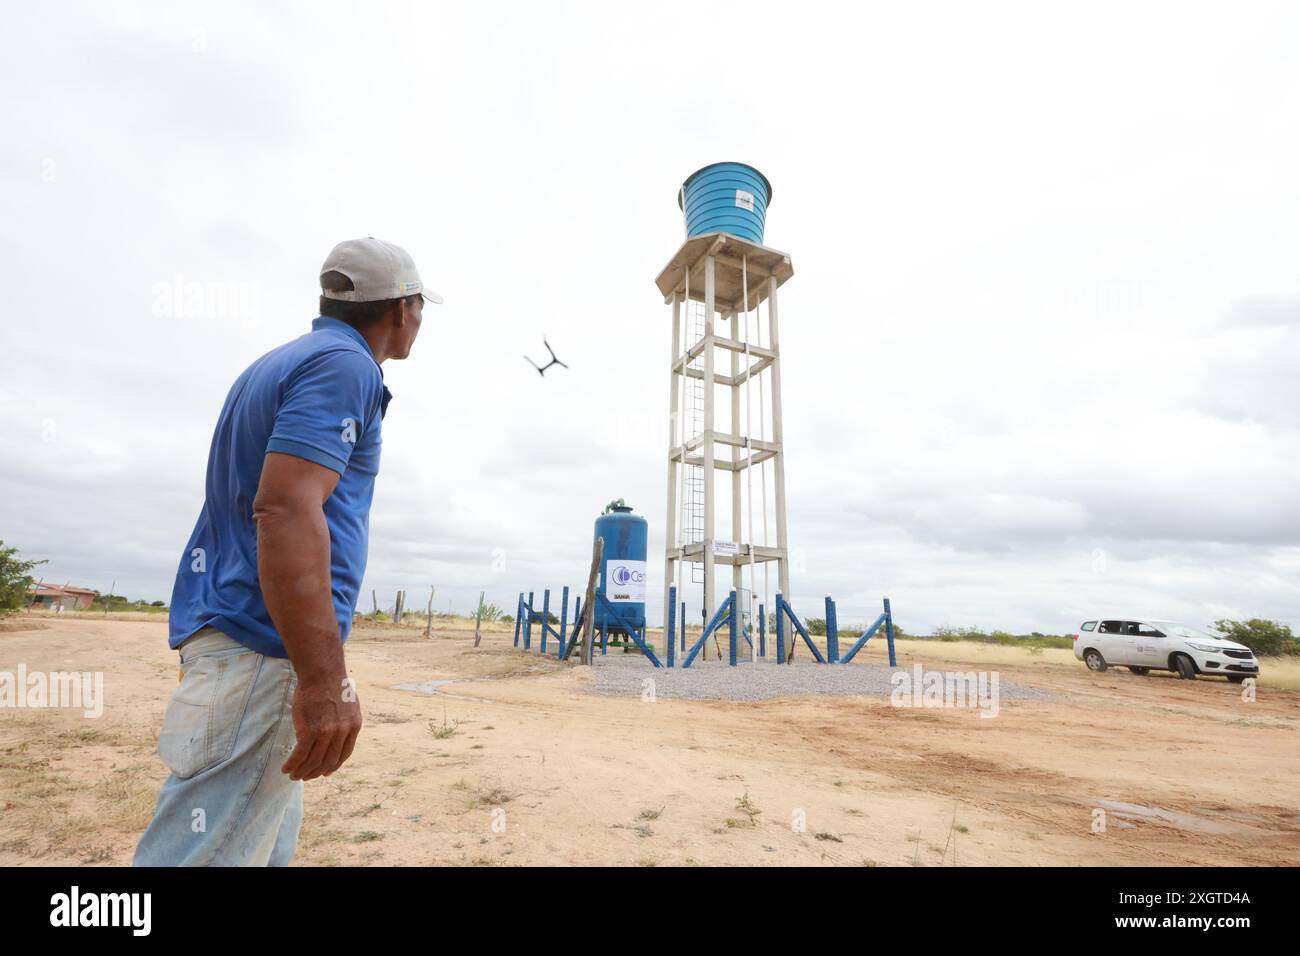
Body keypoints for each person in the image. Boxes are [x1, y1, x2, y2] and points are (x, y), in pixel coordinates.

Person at [134, 238, 441, 866]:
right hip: (263, 650)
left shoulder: (277, 363)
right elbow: (284, 509)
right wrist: (326, 679)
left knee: (261, 852)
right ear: (402, 308)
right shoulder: (345, 367)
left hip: (239, 639)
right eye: (420, 307)